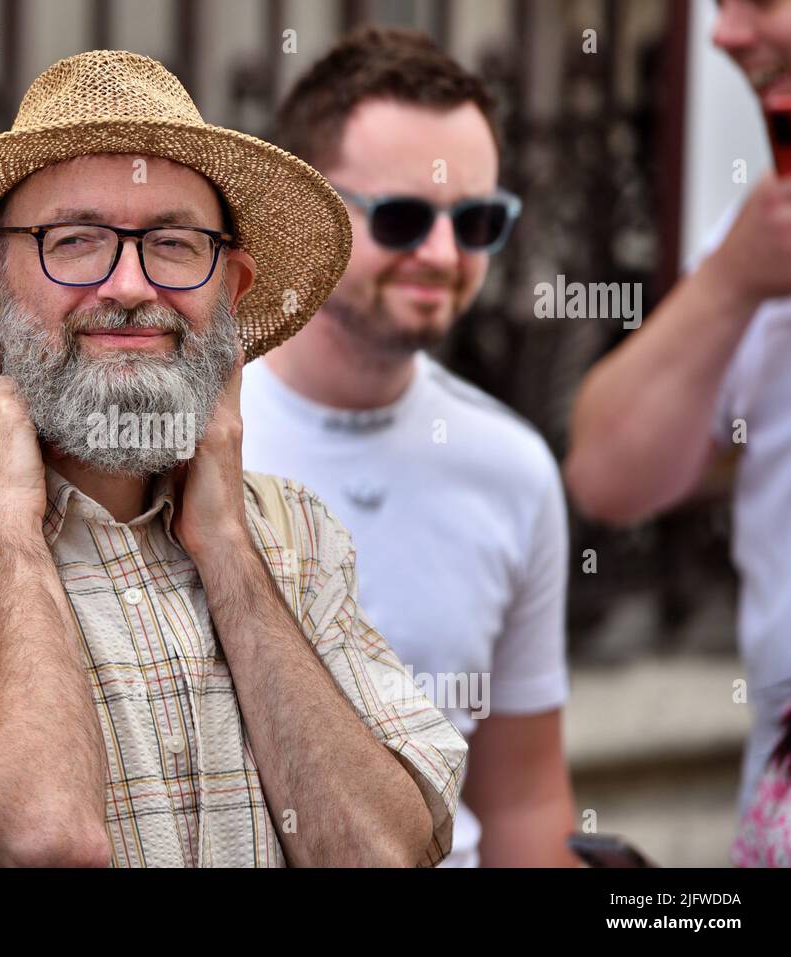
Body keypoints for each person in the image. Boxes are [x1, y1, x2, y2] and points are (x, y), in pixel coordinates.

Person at [0, 50, 466, 867]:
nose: (131, 286)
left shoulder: (299, 535)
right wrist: (6, 528)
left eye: (173, 243)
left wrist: (228, 549)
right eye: (75, 240)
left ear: (231, 291)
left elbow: (383, 855)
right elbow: (45, 840)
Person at [241, 27, 580, 867]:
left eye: (477, 220)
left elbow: (524, 798)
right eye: (401, 218)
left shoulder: (512, 467)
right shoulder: (184, 438)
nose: (442, 253)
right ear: (303, 213)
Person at [564, 0, 791, 863]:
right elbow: (610, 476)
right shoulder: (755, 229)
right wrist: (733, 280)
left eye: (759, 0)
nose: (724, 34)